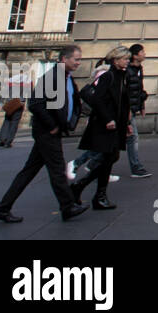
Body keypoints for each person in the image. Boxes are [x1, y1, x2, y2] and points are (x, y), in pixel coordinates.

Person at [0, 45, 89, 223]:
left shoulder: (64, 77)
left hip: (52, 131)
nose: (78, 63)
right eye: (76, 59)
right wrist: (52, 125)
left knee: (29, 172)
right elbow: (35, 104)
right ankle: (68, 207)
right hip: (46, 132)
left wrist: (68, 121)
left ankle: (2, 209)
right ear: (64, 59)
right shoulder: (52, 77)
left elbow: (67, 102)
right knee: (57, 170)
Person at [67, 46, 133, 210]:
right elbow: (98, 99)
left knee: (109, 159)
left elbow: (123, 103)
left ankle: (94, 194)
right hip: (105, 126)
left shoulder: (122, 76)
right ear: (116, 59)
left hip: (116, 124)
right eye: (125, 58)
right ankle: (92, 192)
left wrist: (127, 125)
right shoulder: (108, 76)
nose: (127, 61)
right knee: (108, 158)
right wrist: (108, 119)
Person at [124, 43, 151, 177]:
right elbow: (126, 93)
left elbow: (139, 89)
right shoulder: (127, 71)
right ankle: (136, 168)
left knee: (125, 139)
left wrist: (141, 106)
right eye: (142, 52)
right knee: (132, 138)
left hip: (132, 108)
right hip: (126, 110)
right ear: (135, 56)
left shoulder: (138, 69)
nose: (144, 54)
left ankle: (86, 163)